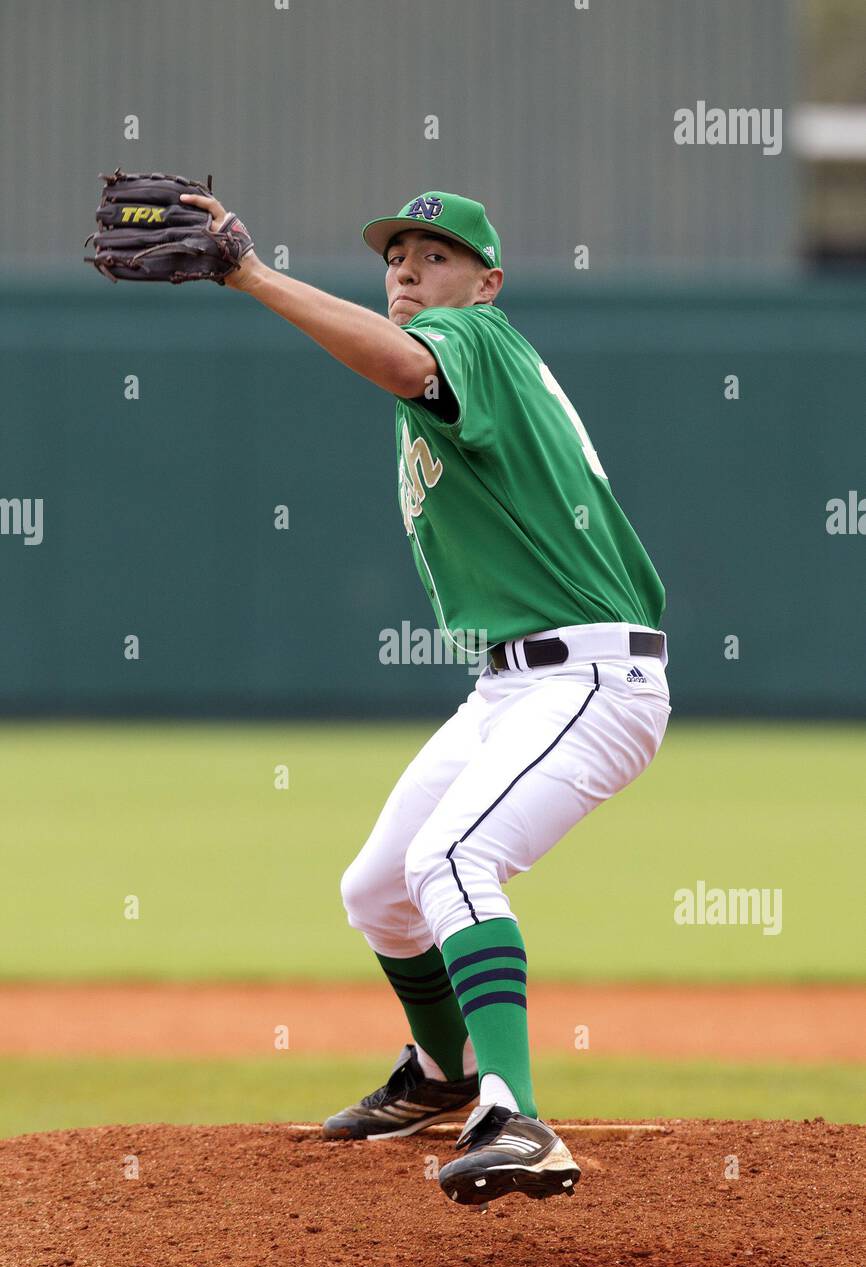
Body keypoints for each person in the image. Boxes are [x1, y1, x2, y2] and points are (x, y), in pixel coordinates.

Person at [180, 187, 671, 1206]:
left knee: (451, 855)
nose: (407, 268)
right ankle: (445, 1072)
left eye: (437, 254)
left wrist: (249, 273)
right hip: (513, 684)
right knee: (376, 890)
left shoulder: (472, 340)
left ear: (486, 284)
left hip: (586, 676)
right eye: (397, 254)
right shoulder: (454, 368)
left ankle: (517, 1114)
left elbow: (405, 358)